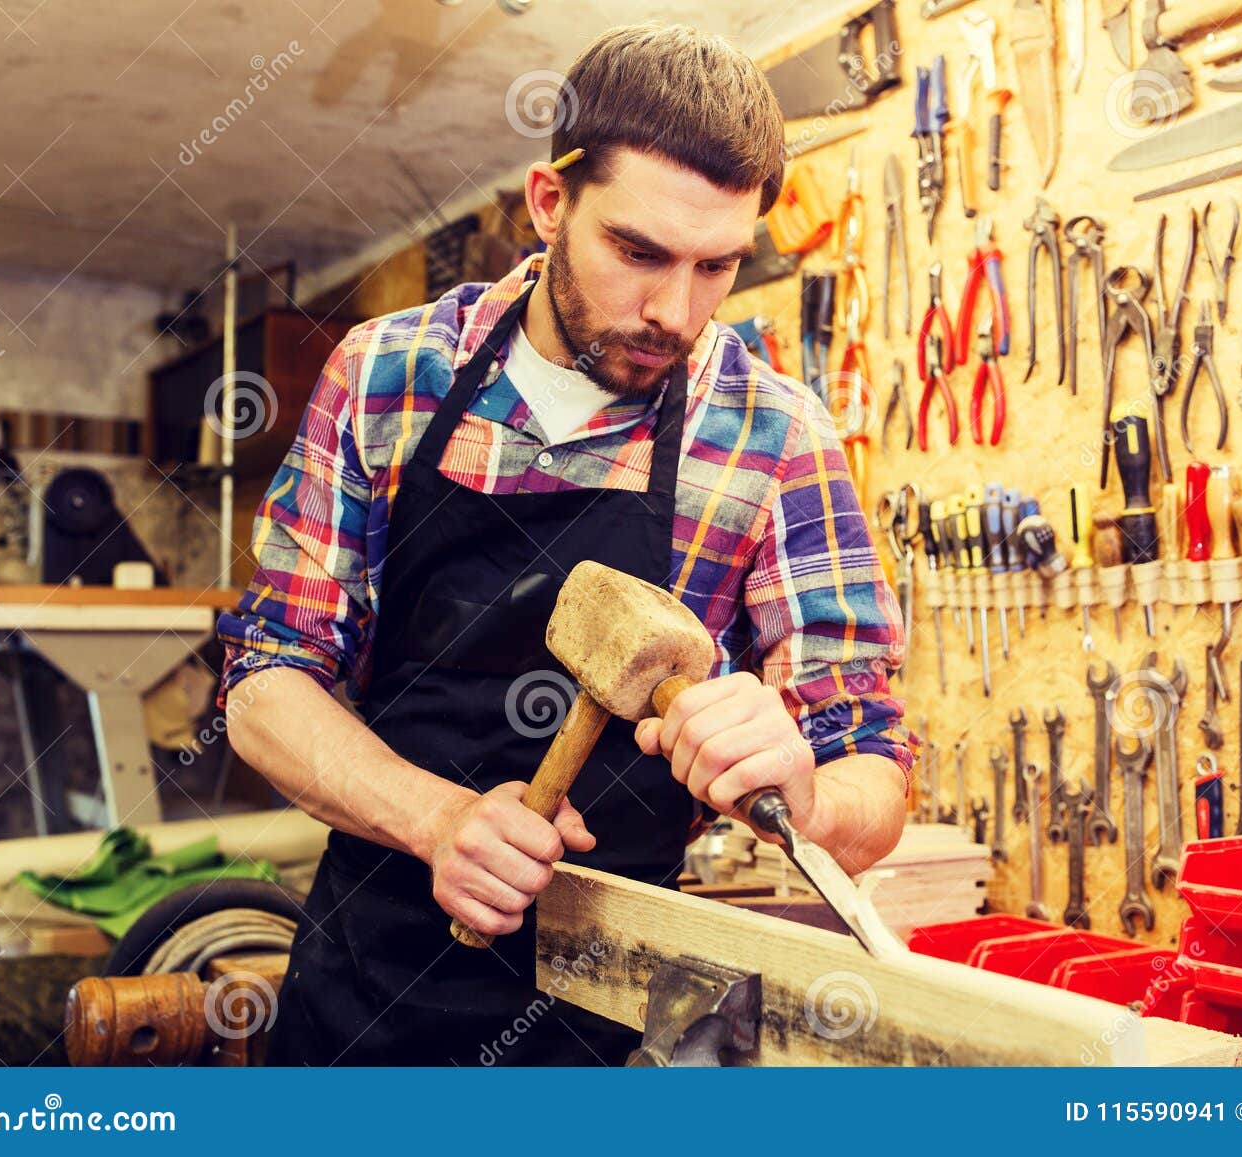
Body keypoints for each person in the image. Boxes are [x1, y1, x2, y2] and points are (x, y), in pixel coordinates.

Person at [218, 22, 916, 1066]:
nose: (673, 311)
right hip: (367, 990)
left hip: (611, 1025)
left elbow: (874, 774)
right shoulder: (389, 373)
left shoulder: (775, 435)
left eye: (716, 266)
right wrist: (438, 819)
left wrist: (808, 791)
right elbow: (266, 681)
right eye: (637, 252)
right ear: (550, 204)